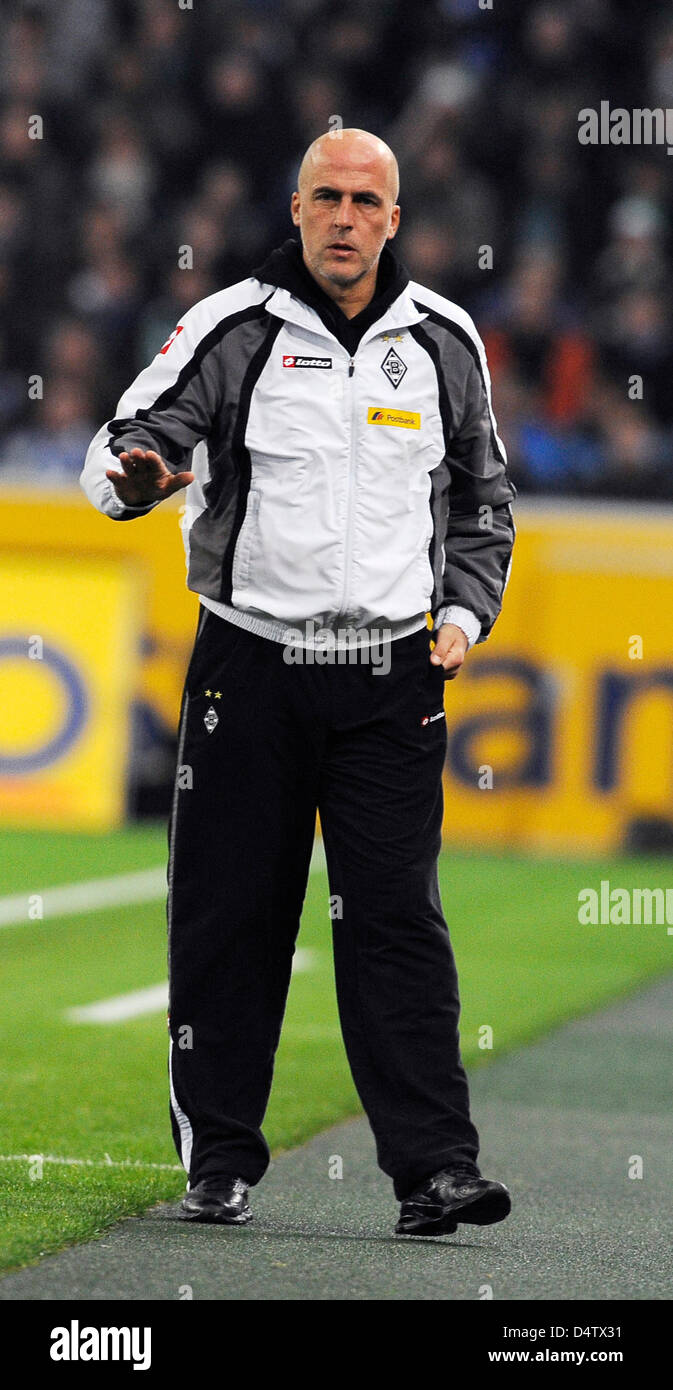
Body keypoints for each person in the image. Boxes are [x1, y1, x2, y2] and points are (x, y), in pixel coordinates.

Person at [81, 128, 515, 1238]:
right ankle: (218, 1159)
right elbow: (138, 430)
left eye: (365, 201)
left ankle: (435, 1170)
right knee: (231, 918)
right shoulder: (234, 325)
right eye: (326, 197)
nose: (344, 218)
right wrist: (135, 477)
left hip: (389, 676)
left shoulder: (444, 342)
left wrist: (464, 612)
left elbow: (481, 501)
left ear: (394, 218)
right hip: (251, 669)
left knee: (398, 922)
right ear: (296, 207)